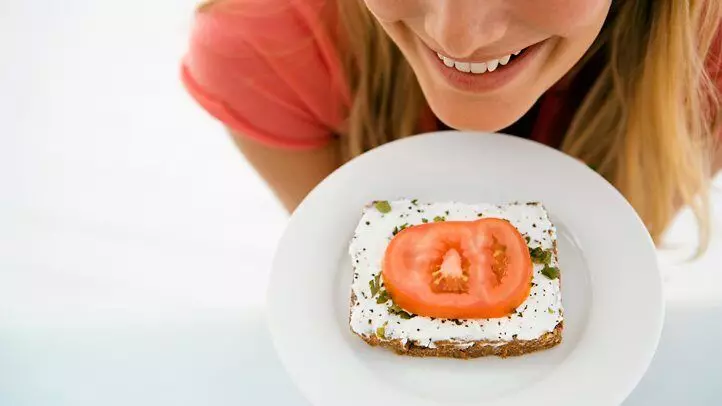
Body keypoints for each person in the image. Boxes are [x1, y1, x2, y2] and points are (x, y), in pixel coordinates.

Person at [181, 0, 722, 251]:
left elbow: (610, 285)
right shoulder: (263, 45)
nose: (458, 35)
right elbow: (359, 283)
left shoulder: (710, 56)